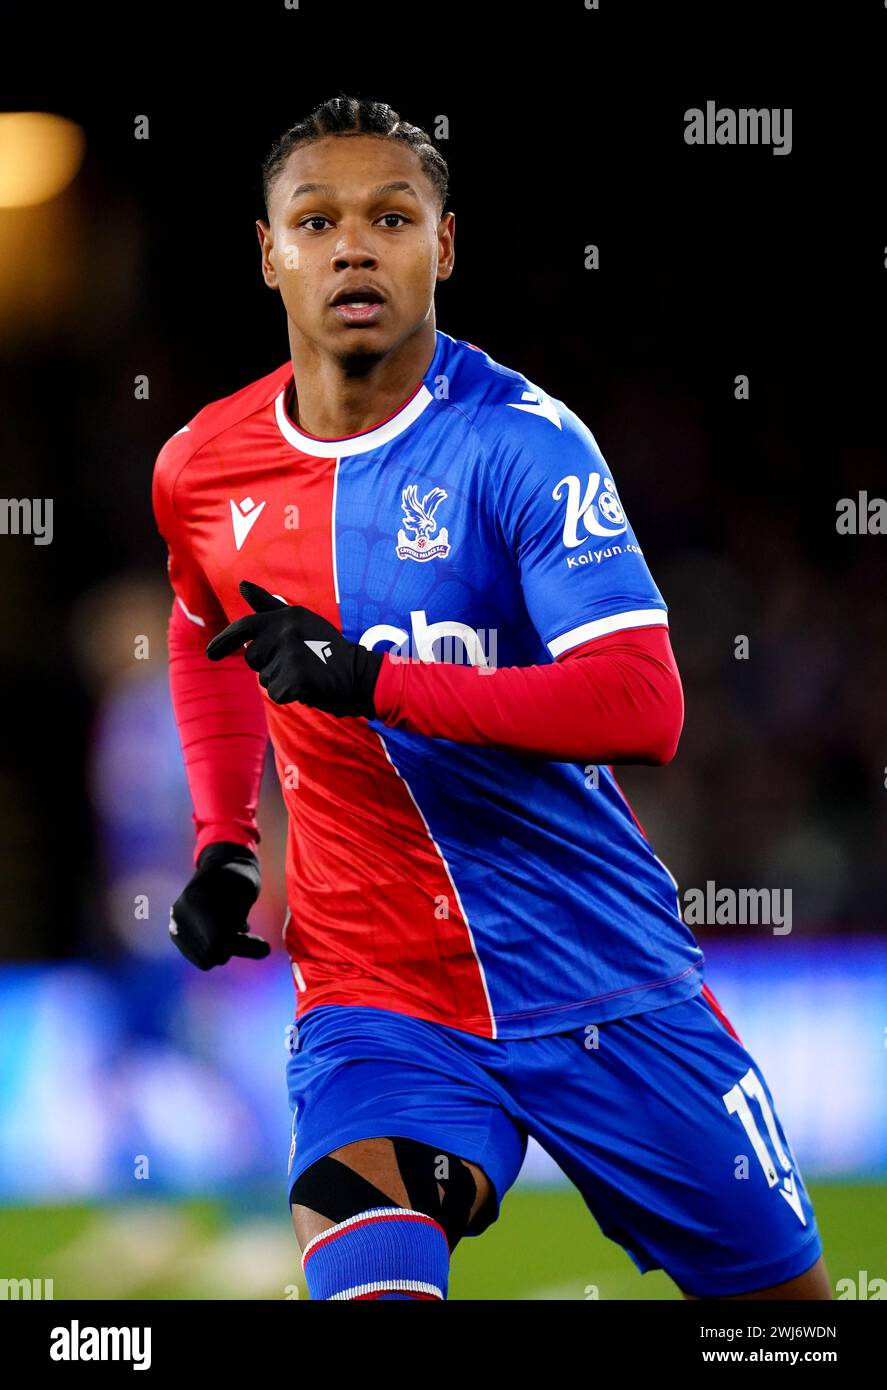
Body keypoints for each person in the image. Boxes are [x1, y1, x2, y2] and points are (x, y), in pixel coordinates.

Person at [152, 94, 830, 1301]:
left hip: (599, 981)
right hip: (379, 994)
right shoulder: (203, 468)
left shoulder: (523, 446)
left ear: (443, 245)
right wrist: (225, 848)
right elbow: (204, 633)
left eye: (389, 216)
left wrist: (373, 682)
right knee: (367, 1258)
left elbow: (641, 704)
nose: (352, 245)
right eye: (315, 221)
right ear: (269, 254)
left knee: (782, 1321)